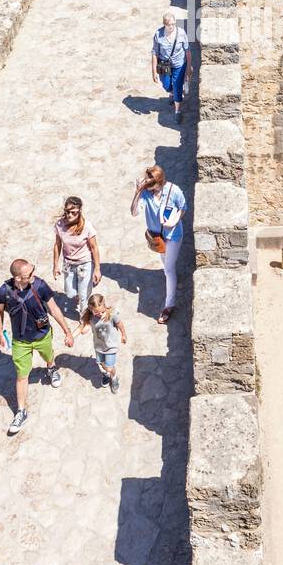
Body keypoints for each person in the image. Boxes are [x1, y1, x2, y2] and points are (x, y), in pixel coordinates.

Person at [0, 258, 75, 435]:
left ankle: (51, 368)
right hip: (20, 341)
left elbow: (53, 309)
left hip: (42, 334)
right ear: (17, 278)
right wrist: (0, 332)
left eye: (33, 271)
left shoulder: (40, 285)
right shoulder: (4, 292)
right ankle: (21, 411)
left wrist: (67, 331)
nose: (33, 275)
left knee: (48, 356)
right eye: (28, 274)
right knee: (22, 375)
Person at [131, 165, 186, 324]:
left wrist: (175, 220)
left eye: (151, 183)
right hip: (157, 237)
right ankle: (172, 278)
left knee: (168, 269)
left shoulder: (174, 191)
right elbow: (134, 212)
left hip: (173, 234)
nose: (149, 186)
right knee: (165, 262)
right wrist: (137, 192)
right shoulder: (146, 194)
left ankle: (169, 305)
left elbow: (183, 208)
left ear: (160, 182)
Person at [52, 195, 101, 319]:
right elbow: (57, 245)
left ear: (79, 212)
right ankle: (81, 295)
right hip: (68, 264)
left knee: (83, 294)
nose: (69, 215)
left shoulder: (87, 227)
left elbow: (94, 248)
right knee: (70, 293)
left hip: (85, 263)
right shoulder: (60, 225)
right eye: (67, 212)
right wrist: (55, 265)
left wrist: (97, 269)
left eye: (73, 213)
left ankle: (84, 317)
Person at [78, 292, 127, 394]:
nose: (100, 314)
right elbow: (84, 327)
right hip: (99, 347)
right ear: (91, 310)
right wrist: (82, 330)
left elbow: (120, 324)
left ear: (104, 305)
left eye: (101, 311)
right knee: (102, 364)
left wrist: (123, 334)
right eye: (96, 312)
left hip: (110, 347)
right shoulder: (91, 317)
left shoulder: (111, 314)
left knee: (109, 367)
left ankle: (114, 377)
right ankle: (107, 374)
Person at [152, 10, 191, 122]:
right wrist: (154, 71)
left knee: (177, 86)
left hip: (179, 65)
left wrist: (188, 68)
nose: (172, 26)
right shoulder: (158, 35)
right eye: (169, 25)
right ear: (164, 24)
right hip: (164, 65)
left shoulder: (181, 33)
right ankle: (172, 92)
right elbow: (155, 52)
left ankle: (177, 111)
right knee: (167, 85)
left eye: (174, 24)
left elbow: (188, 51)